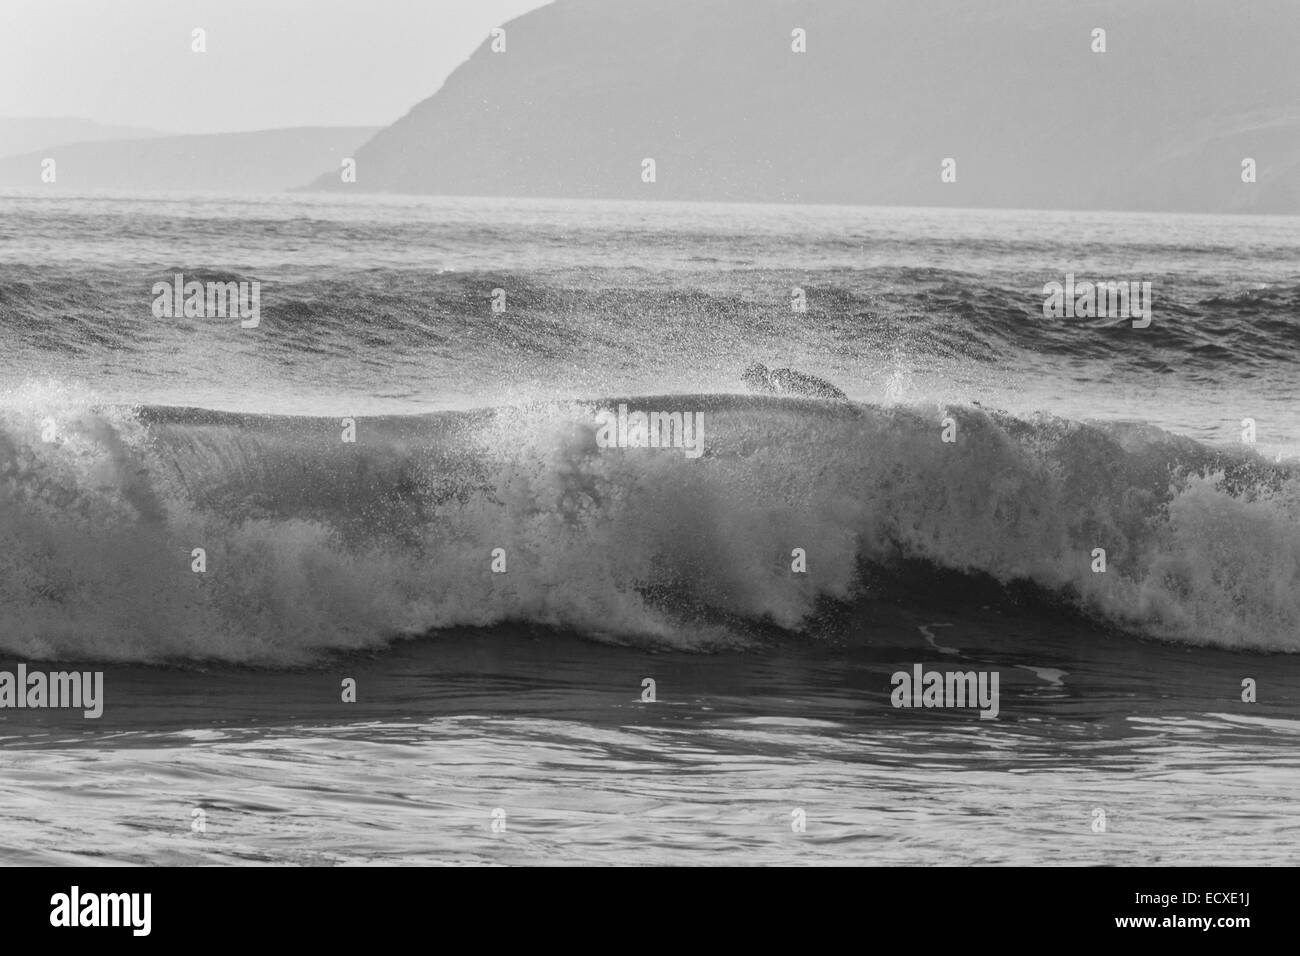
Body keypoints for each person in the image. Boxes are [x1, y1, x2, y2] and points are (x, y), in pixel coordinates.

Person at [741, 362, 847, 400]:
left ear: (759, 375)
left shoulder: (776, 377)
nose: (751, 386)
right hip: (823, 393)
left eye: (751, 380)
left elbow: (806, 385)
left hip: (825, 391)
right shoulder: (773, 383)